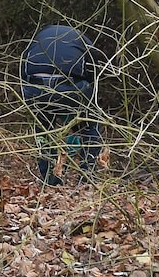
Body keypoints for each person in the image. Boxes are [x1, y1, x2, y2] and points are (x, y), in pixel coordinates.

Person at [21, 24, 103, 185]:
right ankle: (87, 175)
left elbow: (23, 69)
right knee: (92, 122)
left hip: (36, 88)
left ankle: (48, 177)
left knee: (43, 127)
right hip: (68, 87)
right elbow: (95, 66)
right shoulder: (80, 38)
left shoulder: (37, 38)